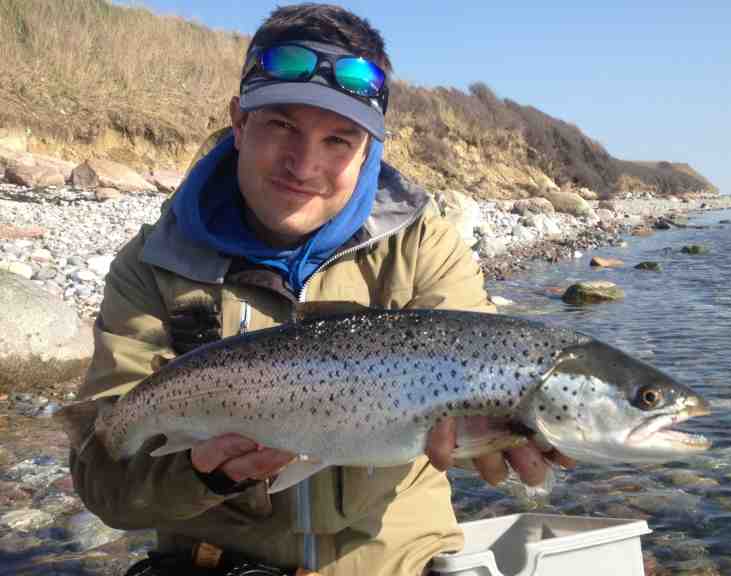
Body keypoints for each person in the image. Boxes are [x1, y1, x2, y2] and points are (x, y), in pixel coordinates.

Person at [68, 4, 572, 575]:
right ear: (239, 122)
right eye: (281, 125)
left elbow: (488, 370)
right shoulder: (153, 264)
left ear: (370, 149)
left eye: (338, 139)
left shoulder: (421, 247)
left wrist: (526, 434)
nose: (304, 165)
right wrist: (205, 474)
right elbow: (105, 488)